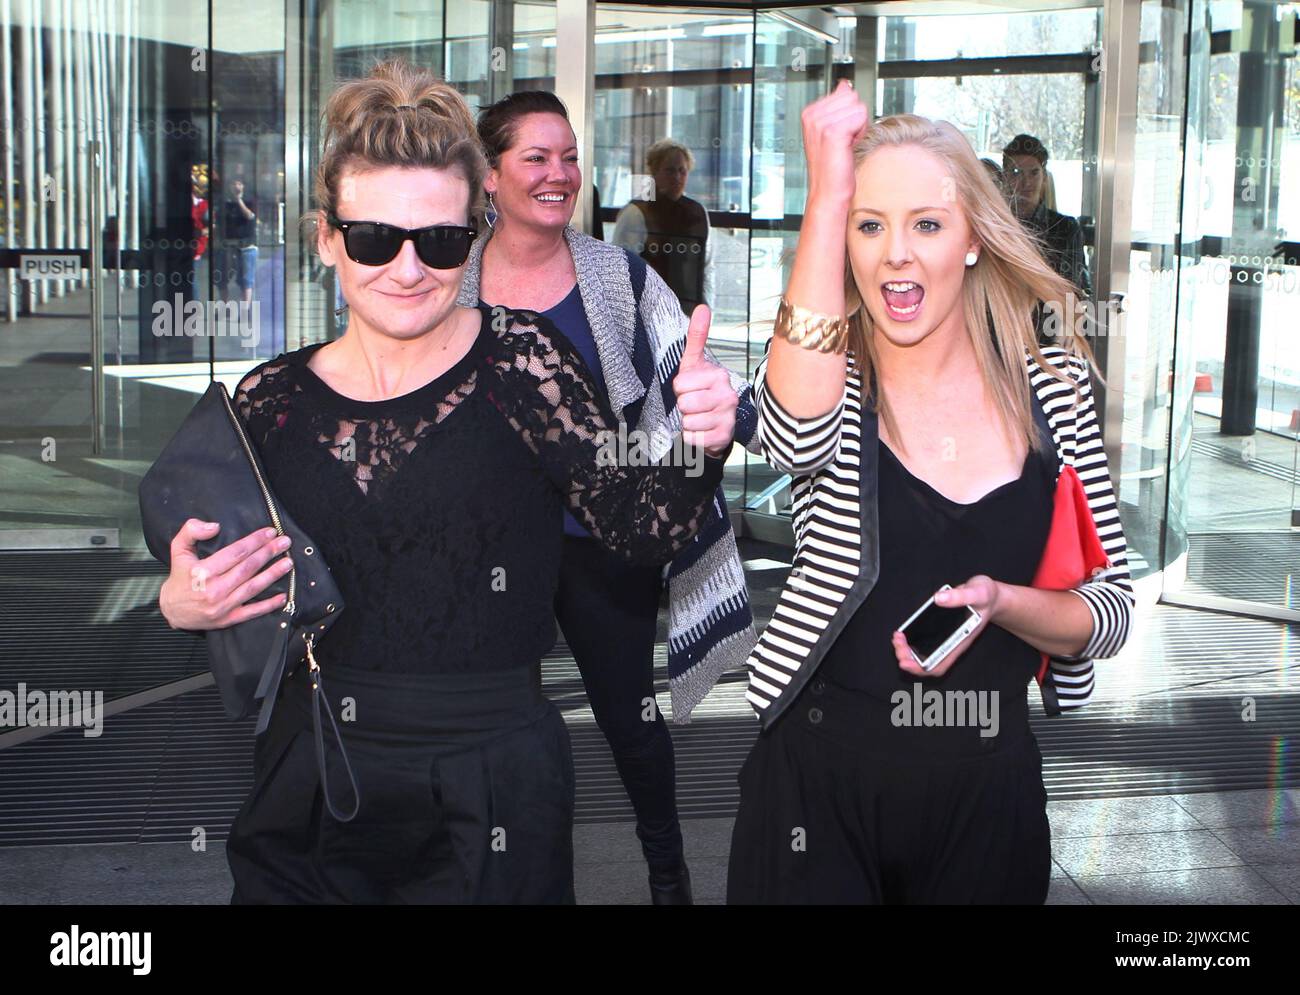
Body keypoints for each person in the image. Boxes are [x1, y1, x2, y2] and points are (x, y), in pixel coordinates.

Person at [153, 58, 739, 904]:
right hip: (312, 768)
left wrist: (701, 439)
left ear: (472, 233)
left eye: (439, 240)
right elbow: (216, 576)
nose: (407, 268)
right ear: (326, 238)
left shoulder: (526, 361)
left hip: (491, 778)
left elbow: (640, 528)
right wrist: (183, 605)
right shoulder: (269, 399)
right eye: (371, 238)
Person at [727, 82, 1134, 904]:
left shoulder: (1053, 391)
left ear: (975, 240)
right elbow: (794, 436)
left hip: (988, 793)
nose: (895, 254)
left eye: (927, 224)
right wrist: (828, 193)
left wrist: (1003, 601)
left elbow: (1111, 610)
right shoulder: (832, 379)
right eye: (869, 226)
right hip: (817, 783)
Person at [461, 90, 759, 904]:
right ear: (490, 175)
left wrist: (725, 410)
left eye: (568, 157)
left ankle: (668, 871)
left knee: (631, 721)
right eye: (535, 158)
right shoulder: (448, 283)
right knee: (495, 728)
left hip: (606, 540)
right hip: (496, 552)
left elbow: (687, 378)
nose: (558, 175)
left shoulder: (614, 275)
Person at [612, 139, 715, 317]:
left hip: (687, 315)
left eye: (682, 171)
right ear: (654, 173)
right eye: (669, 170)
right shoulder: (635, 212)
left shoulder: (698, 212)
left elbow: (706, 268)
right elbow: (620, 270)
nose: (676, 177)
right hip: (648, 316)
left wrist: (706, 313)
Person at [1002, 133, 1091, 299]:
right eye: (1016, 172)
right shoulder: (997, 226)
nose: (1025, 182)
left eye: (1033, 173)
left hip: (1052, 321)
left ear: (1044, 177)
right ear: (1005, 177)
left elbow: (1073, 290)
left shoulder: (1065, 229)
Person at [221, 178, 258, 307]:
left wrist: (239, 200)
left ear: (243, 186)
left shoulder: (249, 201)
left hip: (247, 247)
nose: (236, 186)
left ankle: (245, 309)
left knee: (246, 280)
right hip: (231, 246)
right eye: (233, 183)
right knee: (228, 278)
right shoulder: (227, 203)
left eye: (239, 183)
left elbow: (249, 216)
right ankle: (225, 306)